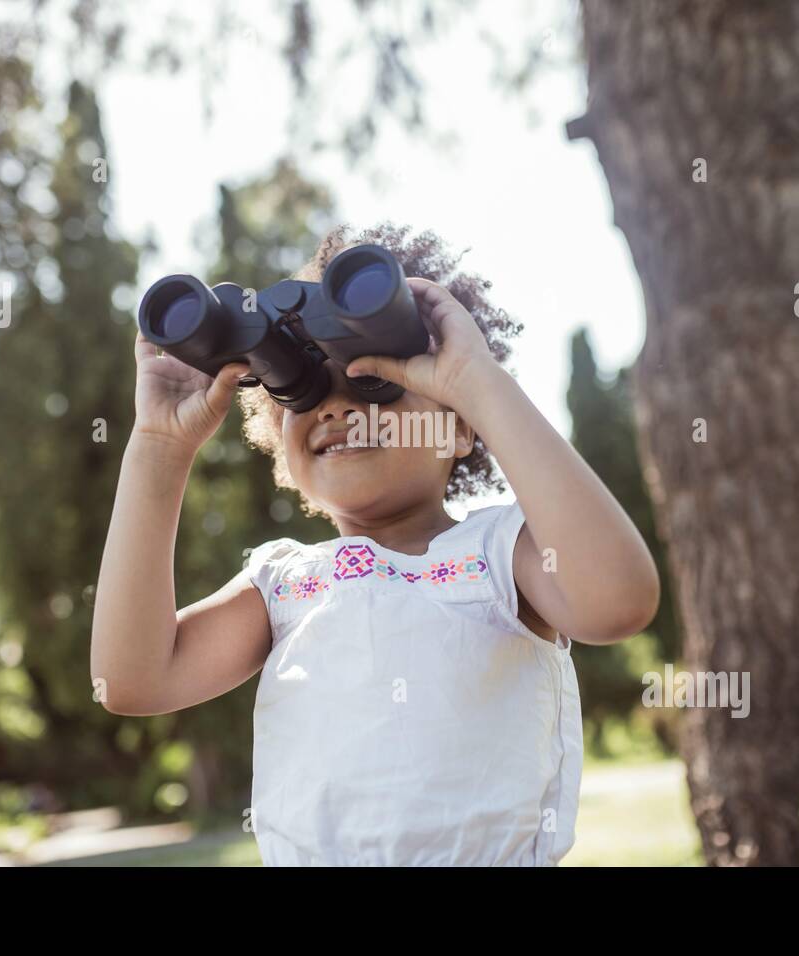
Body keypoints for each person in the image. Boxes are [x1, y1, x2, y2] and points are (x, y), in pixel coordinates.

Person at [90, 222, 660, 865]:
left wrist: (477, 381)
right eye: (300, 388)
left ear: (459, 427)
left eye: (373, 383)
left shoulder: (499, 555)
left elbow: (618, 601)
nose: (335, 406)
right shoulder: (285, 584)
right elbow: (128, 678)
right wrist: (159, 447)